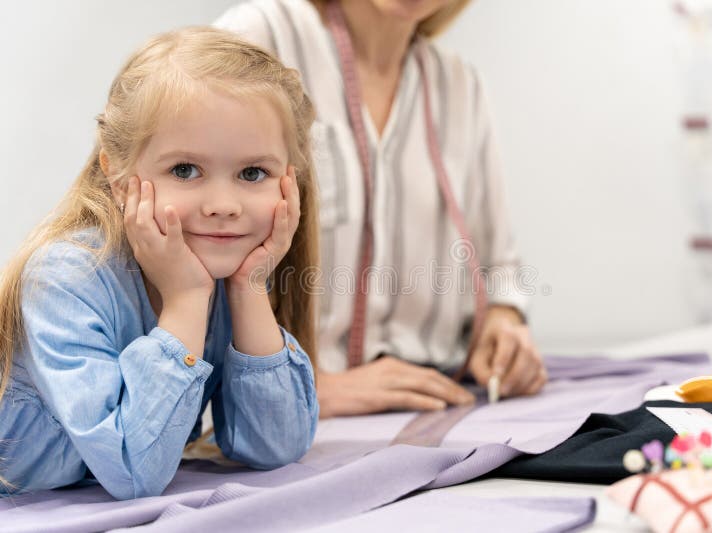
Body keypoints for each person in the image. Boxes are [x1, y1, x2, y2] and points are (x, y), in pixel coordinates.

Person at [0, 27, 320, 500]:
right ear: (118, 173)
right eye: (185, 170)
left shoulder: (224, 266)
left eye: (253, 173)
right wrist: (187, 299)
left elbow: (274, 448)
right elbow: (133, 468)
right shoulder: (66, 277)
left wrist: (250, 288)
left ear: (289, 182)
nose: (223, 204)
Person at [215, 0, 548, 418]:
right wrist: (310, 387)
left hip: (433, 403)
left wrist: (503, 324)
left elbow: (500, 269)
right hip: (279, 421)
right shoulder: (260, 38)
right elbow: (188, 242)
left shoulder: (460, 85)